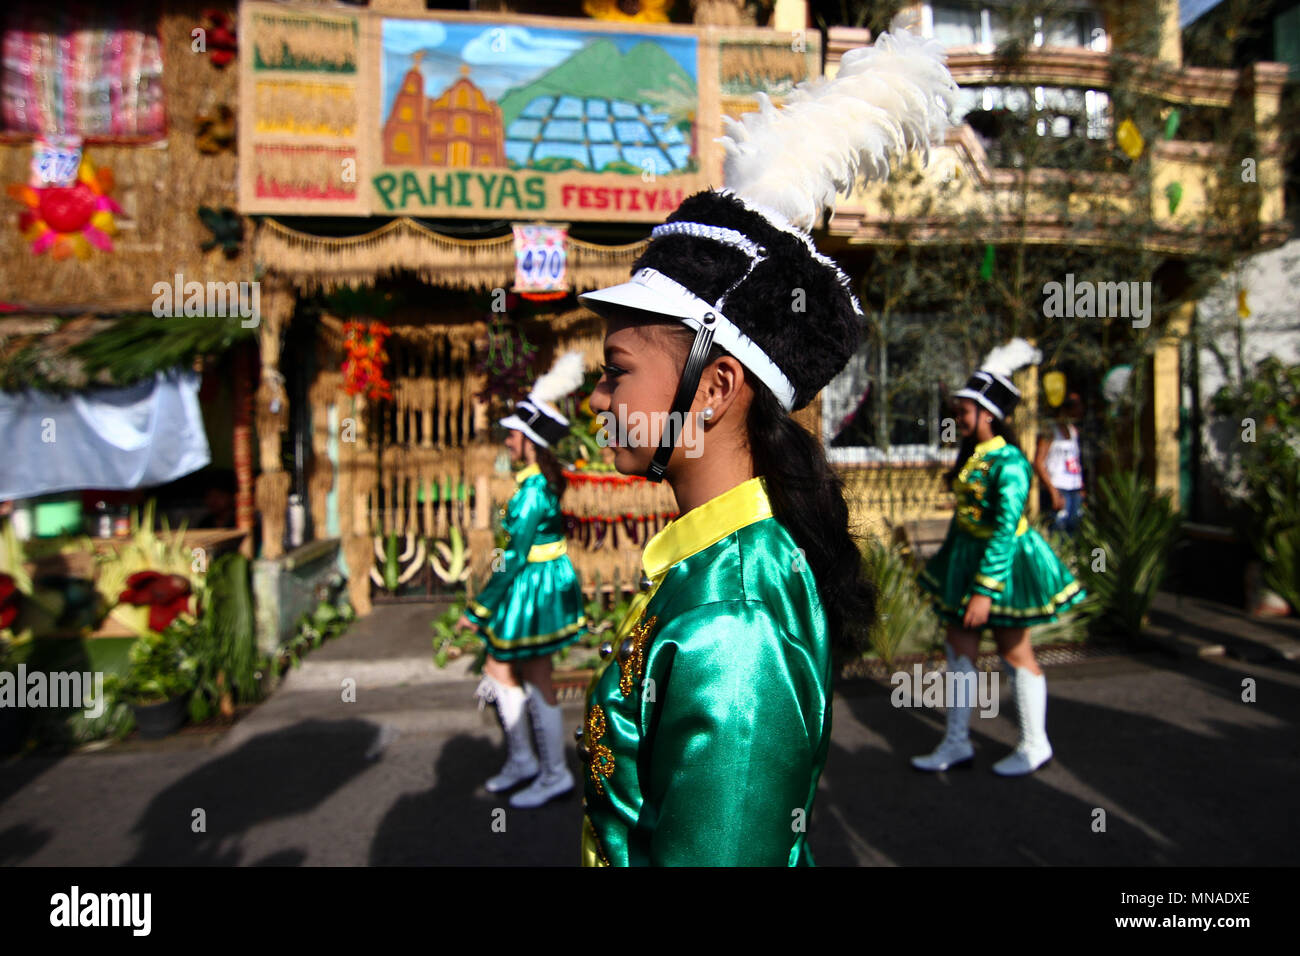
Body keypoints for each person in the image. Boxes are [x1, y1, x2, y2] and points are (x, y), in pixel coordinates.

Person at [573, 29, 956, 865]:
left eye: (616, 371)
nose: (599, 399)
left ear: (715, 389)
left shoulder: (734, 620)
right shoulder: (717, 569)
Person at [915, 341, 1086, 776]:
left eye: (966, 411)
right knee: (959, 650)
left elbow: (1005, 530)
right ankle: (956, 742)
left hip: (1007, 565)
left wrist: (984, 592)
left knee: (1014, 651)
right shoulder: (973, 454)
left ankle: (1034, 744)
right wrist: (948, 567)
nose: (959, 418)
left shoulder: (1010, 462)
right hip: (969, 557)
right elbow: (967, 520)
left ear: (988, 414)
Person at [455, 351, 588, 809]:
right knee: (506, 668)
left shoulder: (532, 491)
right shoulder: (535, 483)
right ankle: (527, 762)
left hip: (533, 586)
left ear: (530, 441)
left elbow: (512, 559)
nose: (507, 439)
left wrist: (478, 610)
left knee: (534, 676)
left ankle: (552, 772)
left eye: (513, 433)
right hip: (539, 581)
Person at [1033, 391, 1085, 533]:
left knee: (1073, 529)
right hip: (1058, 486)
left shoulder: (1073, 431)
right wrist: (1052, 490)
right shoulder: (1050, 431)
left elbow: (1075, 460)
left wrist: (1081, 487)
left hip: (1074, 487)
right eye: (1074, 405)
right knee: (1058, 531)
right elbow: (1039, 462)